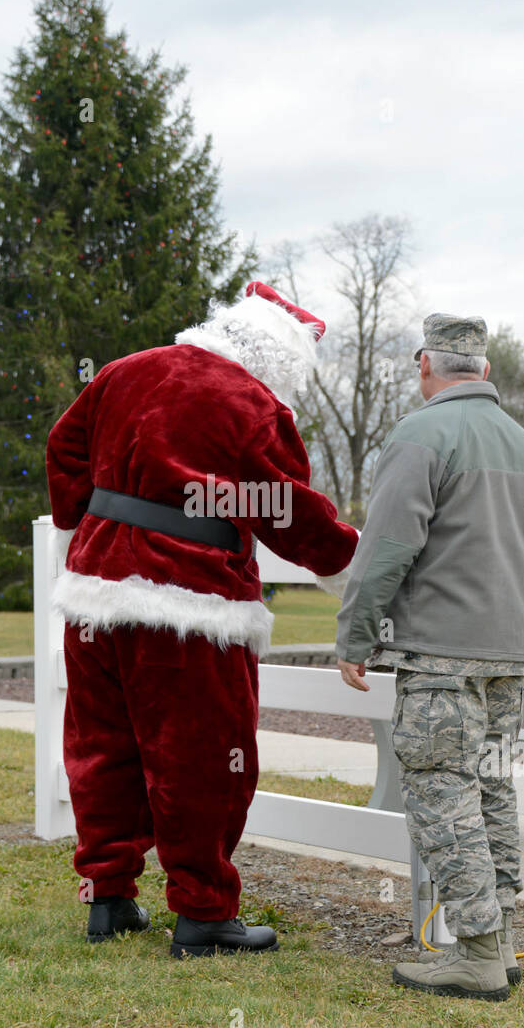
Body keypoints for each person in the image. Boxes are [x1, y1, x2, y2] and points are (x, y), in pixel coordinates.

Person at [46, 281, 357, 958]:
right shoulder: (249, 402)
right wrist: (344, 561)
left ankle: (110, 896)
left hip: (95, 596)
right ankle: (204, 913)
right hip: (189, 605)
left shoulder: (123, 373)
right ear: (279, 360)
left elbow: (64, 448)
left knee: (104, 746)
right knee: (203, 758)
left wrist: (85, 519)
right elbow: (282, 506)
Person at [335, 314, 524, 1000]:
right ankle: (503, 940)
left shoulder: (421, 434)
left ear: (424, 365)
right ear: (483, 371)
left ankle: (478, 953)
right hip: (509, 652)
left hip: (442, 654)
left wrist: (355, 634)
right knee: (490, 789)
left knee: (441, 793)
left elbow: (387, 548)